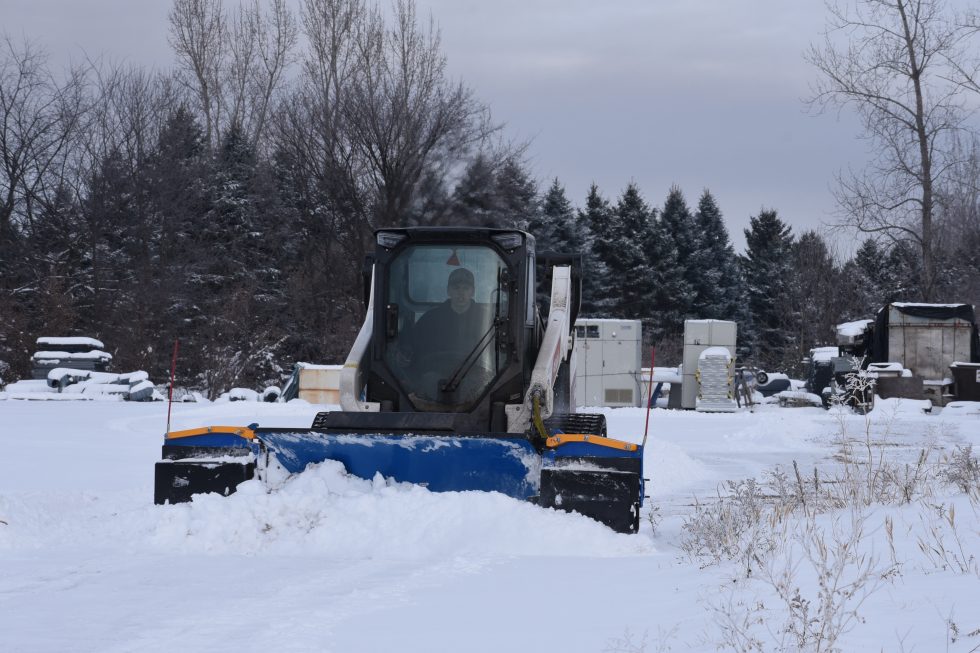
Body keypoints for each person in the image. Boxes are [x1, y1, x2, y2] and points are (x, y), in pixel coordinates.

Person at [395, 267, 492, 401]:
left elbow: (495, 354)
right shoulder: (430, 319)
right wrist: (404, 354)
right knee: (427, 381)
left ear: (473, 291)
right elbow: (411, 346)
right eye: (456, 288)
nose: (461, 293)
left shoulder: (487, 320)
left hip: (474, 378)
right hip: (435, 379)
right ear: (448, 291)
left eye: (465, 288)